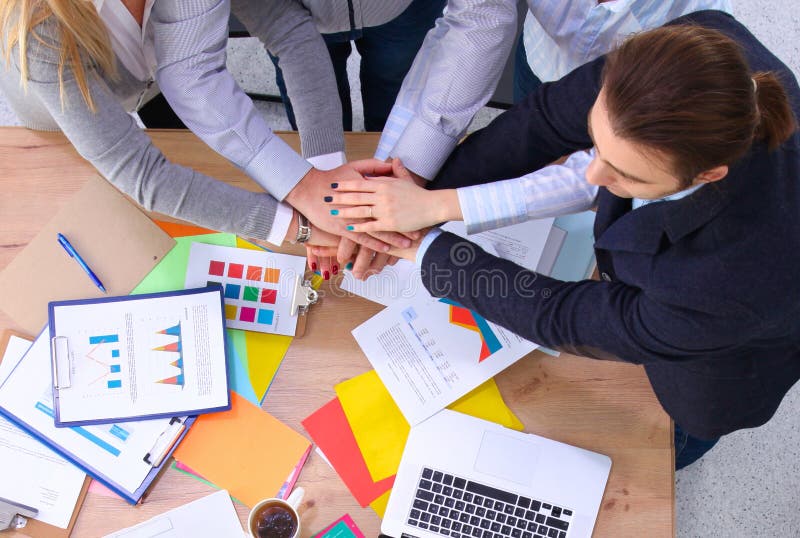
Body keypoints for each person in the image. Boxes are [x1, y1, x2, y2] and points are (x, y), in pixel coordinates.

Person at [324, 10, 800, 469]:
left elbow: (560, 315)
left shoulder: (725, 283)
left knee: (677, 433)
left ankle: (680, 457)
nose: (590, 175)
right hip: (678, 284)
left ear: (707, 174)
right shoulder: (680, 59)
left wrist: (424, 246)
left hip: (720, 367)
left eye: (624, 173)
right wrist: (423, 199)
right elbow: (546, 121)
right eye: (596, 142)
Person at [0, 0, 408, 279]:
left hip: (160, 86)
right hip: (56, 128)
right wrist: (300, 225)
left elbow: (288, 31)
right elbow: (143, 175)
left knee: (196, 162)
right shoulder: (37, 26)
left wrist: (326, 184)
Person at [243, 0, 446, 133]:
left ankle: (388, 150)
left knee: (395, 86)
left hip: (407, 8)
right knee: (312, 93)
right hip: (292, 6)